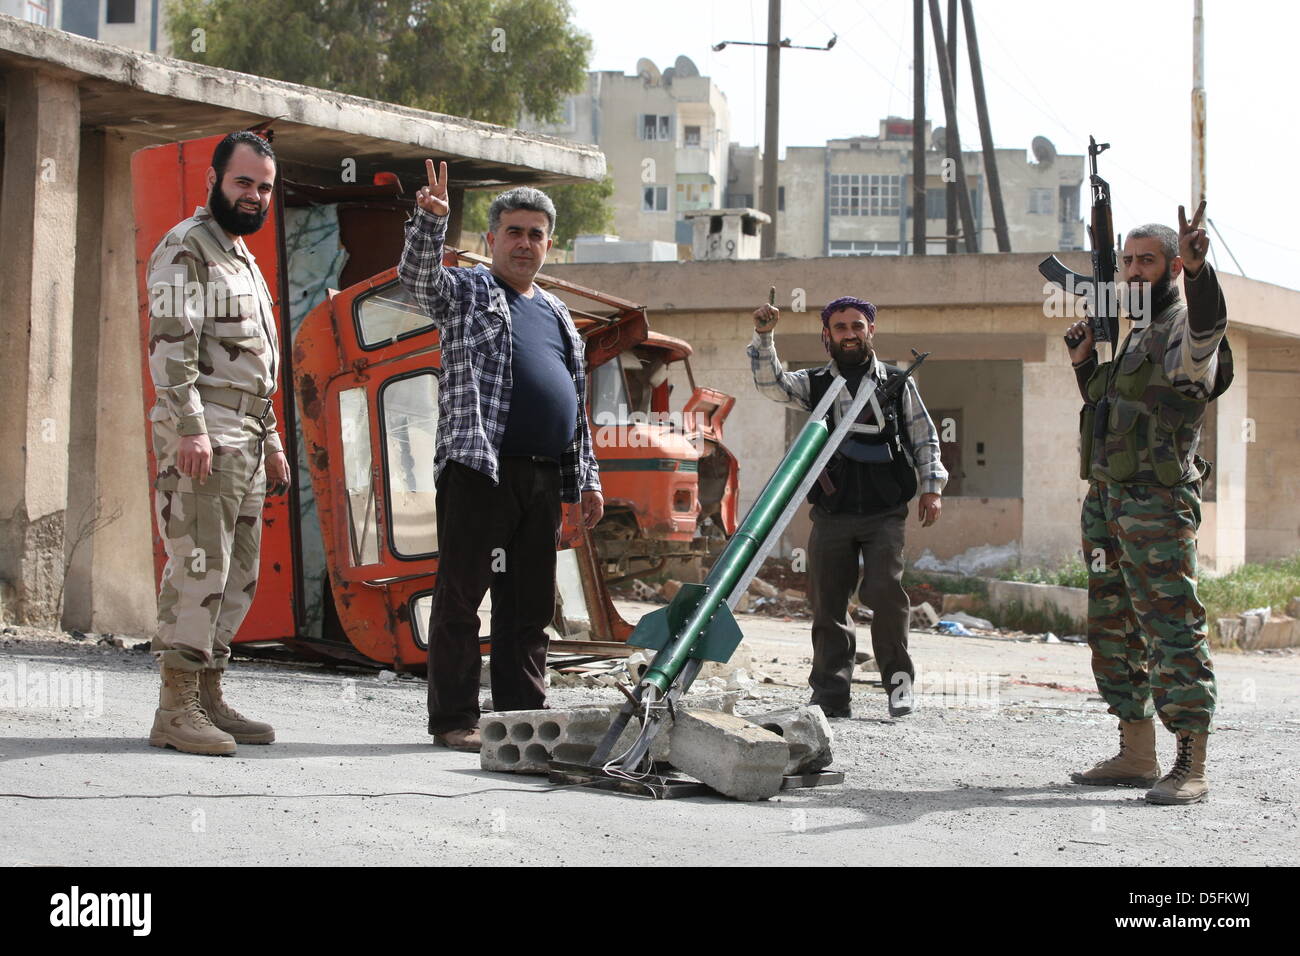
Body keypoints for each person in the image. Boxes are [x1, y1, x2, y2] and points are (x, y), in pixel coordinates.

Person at [398, 161, 603, 752]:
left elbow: (577, 407)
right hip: (480, 469)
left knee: (528, 604)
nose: (524, 242)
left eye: (536, 233)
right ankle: (456, 720)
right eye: (513, 231)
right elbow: (418, 284)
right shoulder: (467, 291)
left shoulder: (560, 315)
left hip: (542, 479)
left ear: (548, 244)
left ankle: (521, 714)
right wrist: (429, 223)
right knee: (462, 599)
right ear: (491, 240)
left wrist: (585, 479)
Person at [1067, 202, 1228, 805]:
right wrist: (1086, 363)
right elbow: (1116, 408)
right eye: (1127, 262)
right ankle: (1136, 752)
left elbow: (1210, 327)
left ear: (1171, 269)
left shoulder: (1186, 332)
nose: (1133, 272)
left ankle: (1191, 760)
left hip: (1157, 505)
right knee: (1111, 625)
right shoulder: (1131, 336)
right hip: (1108, 500)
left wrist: (1200, 270)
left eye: (1147, 262)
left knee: (1170, 625)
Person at [145, 131, 290, 756]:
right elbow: (171, 347)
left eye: (263, 187)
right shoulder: (186, 248)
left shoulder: (241, 255)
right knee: (199, 566)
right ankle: (175, 709)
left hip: (249, 437)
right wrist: (189, 428)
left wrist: (275, 441)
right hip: (205, 434)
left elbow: (258, 363)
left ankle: (208, 694)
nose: (254, 196)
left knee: (239, 573)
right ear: (214, 180)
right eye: (243, 183)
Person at [749, 296, 947, 719]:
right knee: (828, 604)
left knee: (887, 596)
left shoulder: (896, 382)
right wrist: (765, 337)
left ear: (870, 331)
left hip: (884, 512)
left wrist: (932, 488)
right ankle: (831, 696)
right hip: (832, 511)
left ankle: (899, 689)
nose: (850, 334)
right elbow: (772, 385)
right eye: (841, 327)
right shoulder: (817, 382)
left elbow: (923, 436)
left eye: (858, 326)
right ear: (828, 335)